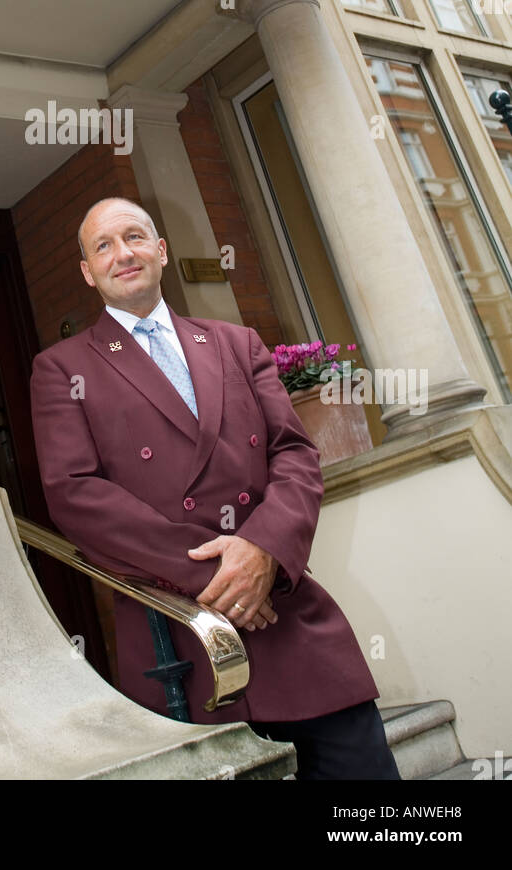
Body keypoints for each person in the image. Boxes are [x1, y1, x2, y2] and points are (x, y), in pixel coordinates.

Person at [29, 196, 400, 780]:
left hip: (284, 609)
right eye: (103, 245)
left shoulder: (235, 342)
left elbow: (295, 453)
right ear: (87, 271)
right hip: (179, 633)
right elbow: (75, 495)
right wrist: (222, 579)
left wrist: (263, 554)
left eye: (134, 237)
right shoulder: (61, 368)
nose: (122, 253)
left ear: (161, 250)